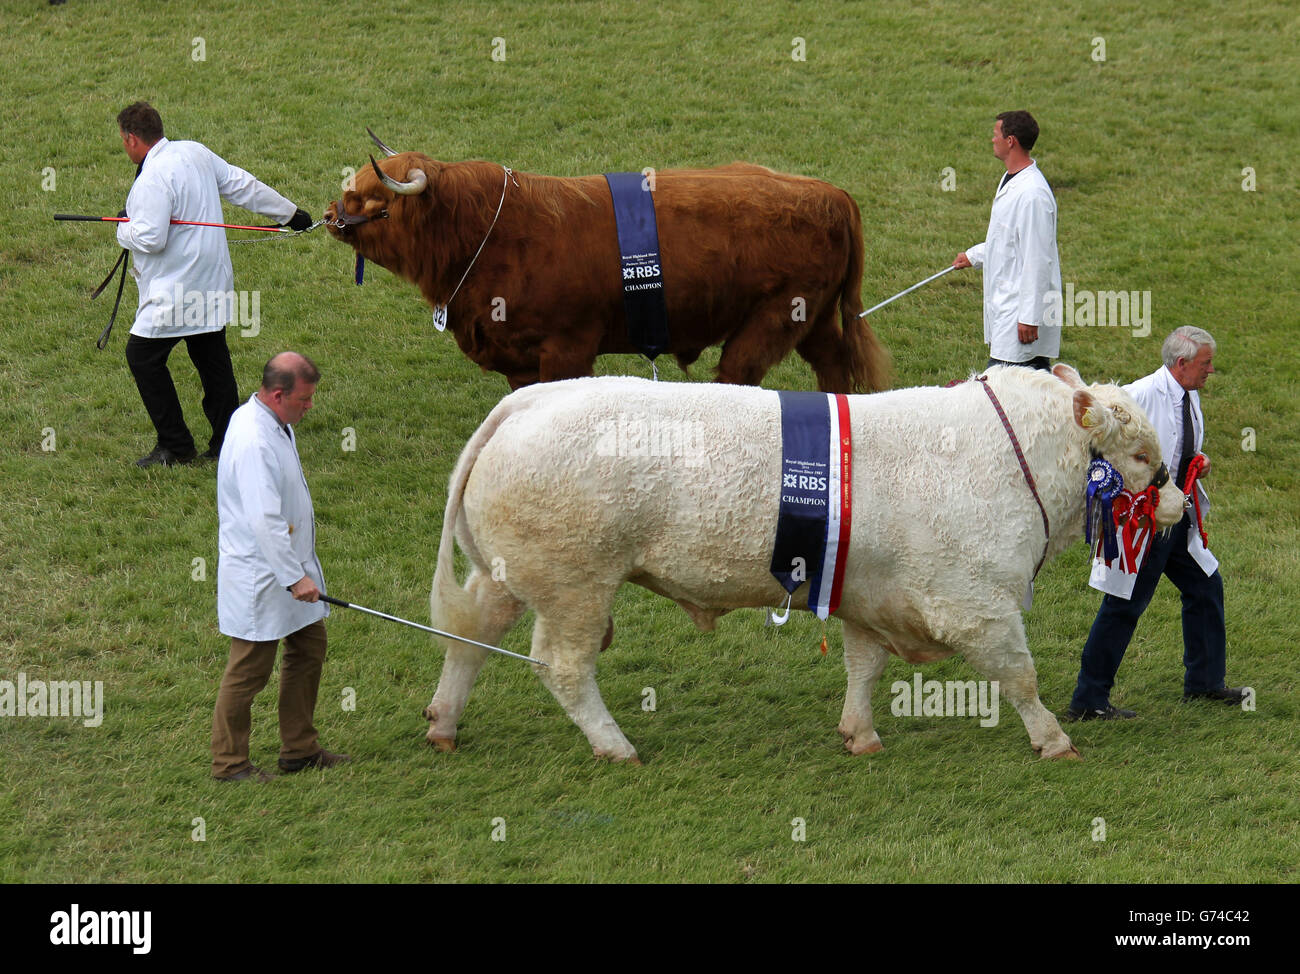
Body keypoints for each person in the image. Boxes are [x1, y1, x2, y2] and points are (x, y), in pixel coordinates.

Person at [115, 101, 313, 468]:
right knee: (211, 357)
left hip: (175, 290)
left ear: (130, 139)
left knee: (142, 357)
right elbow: (243, 185)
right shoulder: (194, 151)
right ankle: (227, 442)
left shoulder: (151, 179)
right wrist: (290, 213)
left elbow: (151, 238)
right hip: (212, 280)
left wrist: (123, 228)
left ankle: (175, 445)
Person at [1065, 327, 1245, 721]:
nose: (1211, 370)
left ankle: (1204, 683)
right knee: (1124, 606)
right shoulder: (1140, 394)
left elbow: (1179, 445)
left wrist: (1201, 459)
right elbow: (1100, 438)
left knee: (1205, 587)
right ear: (1182, 364)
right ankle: (1088, 701)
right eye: (1206, 363)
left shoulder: (1189, 395)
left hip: (1176, 517)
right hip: (1146, 524)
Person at [210, 352, 349, 781]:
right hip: (262, 576)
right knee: (249, 670)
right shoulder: (254, 440)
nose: (310, 407)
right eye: (304, 400)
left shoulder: (275, 423)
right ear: (276, 394)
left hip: (290, 569)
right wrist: (294, 578)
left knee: (309, 649)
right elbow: (264, 520)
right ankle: (229, 763)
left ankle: (300, 749)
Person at [953, 110, 1062, 370]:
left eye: (995, 135)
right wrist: (974, 256)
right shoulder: (1010, 180)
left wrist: (1029, 317)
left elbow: (1038, 259)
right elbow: (1006, 238)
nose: (992, 140)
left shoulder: (1033, 194)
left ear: (1010, 140)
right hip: (1008, 309)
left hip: (1019, 316)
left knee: (1011, 390)